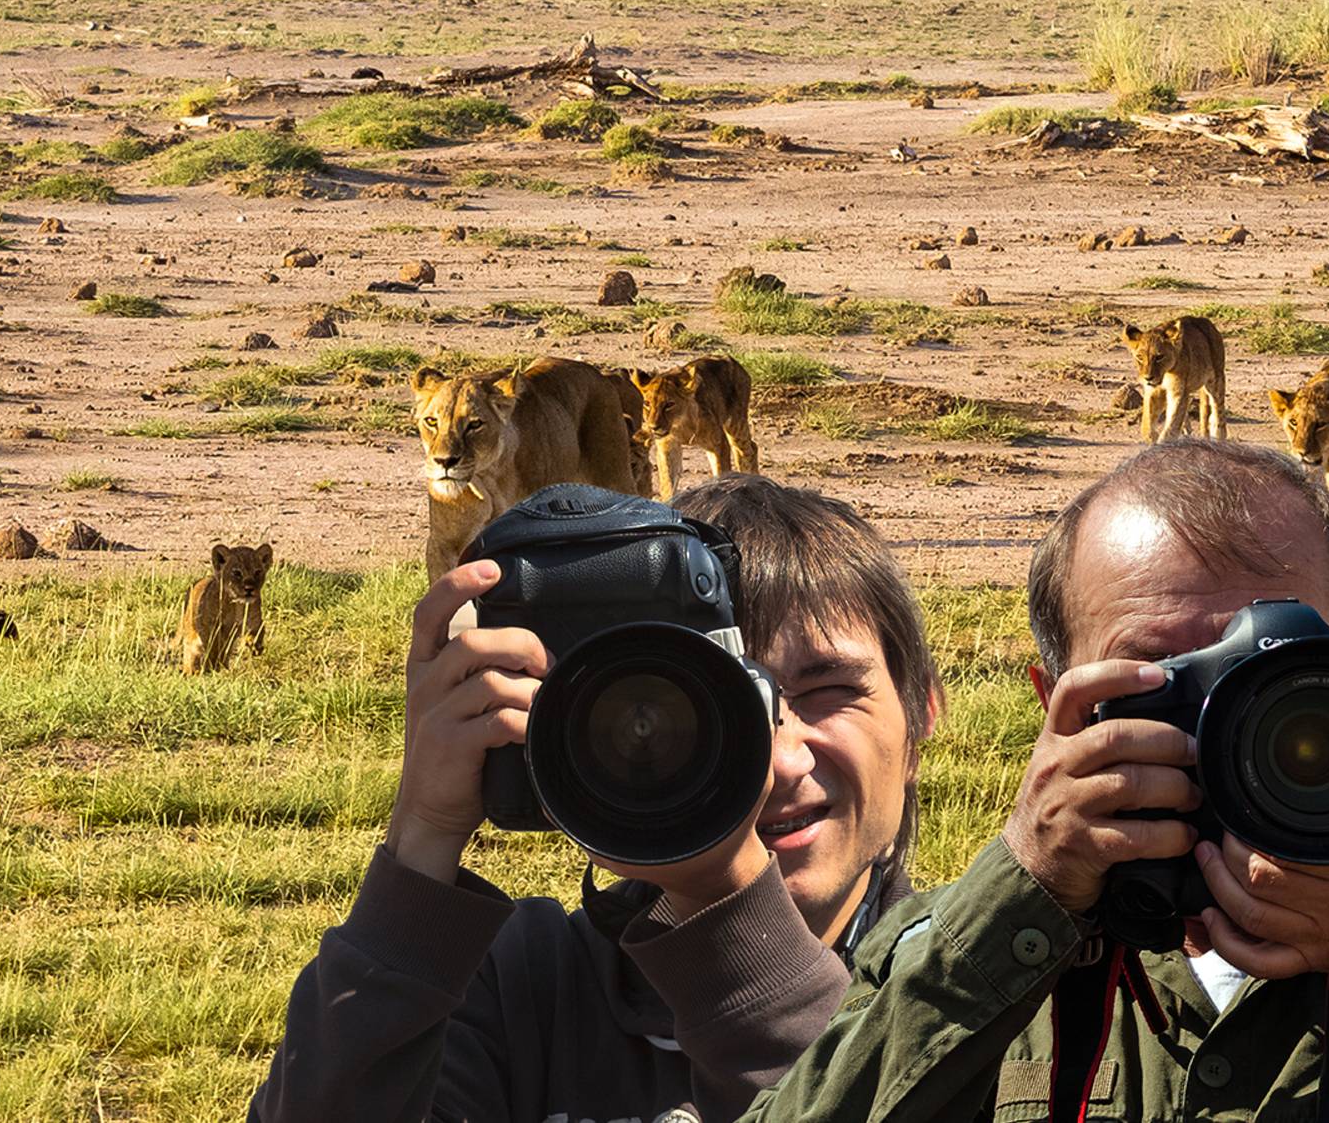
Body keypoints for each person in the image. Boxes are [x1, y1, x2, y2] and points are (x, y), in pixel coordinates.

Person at [744, 437, 1329, 1122]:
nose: (1229, 728)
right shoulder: (967, 952)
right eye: (1167, 682)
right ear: (1058, 710)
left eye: (1277, 676)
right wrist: (1025, 887)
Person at [249, 474, 945, 1122]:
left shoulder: (988, 987)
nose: (779, 758)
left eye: (828, 691)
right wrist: (420, 846)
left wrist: (724, 895)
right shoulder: (520, 985)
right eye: (717, 705)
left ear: (921, 719)